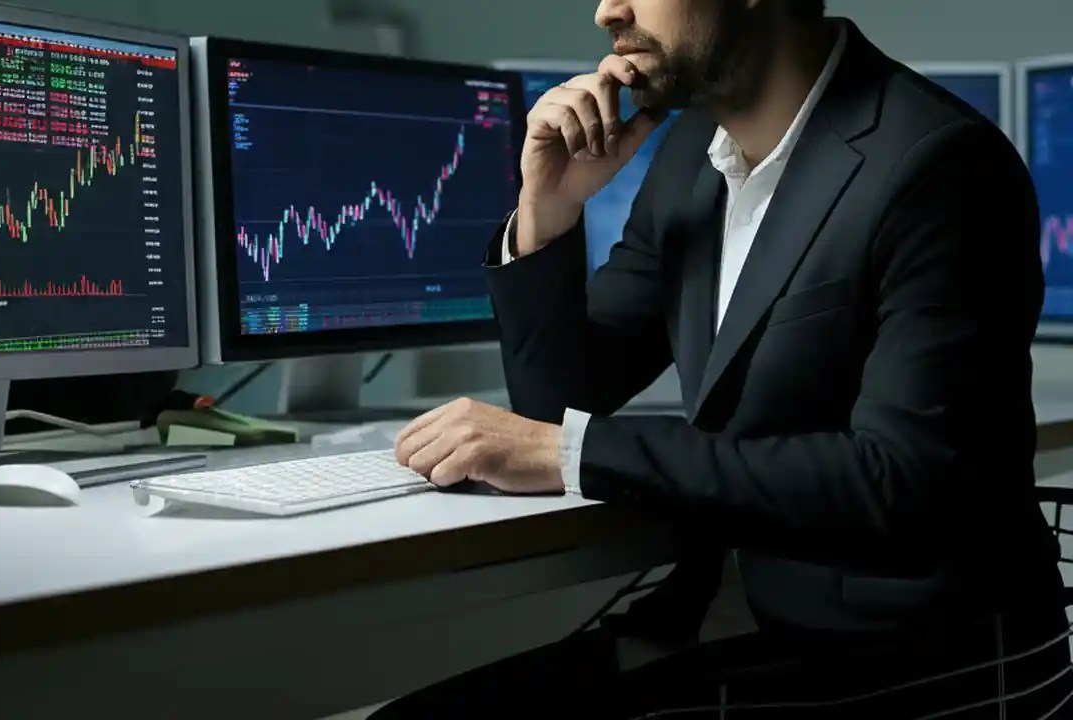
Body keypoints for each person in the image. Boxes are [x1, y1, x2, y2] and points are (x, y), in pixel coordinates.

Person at [375, 0, 1073, 717]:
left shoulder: (940, 163)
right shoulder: (693, 153)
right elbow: (562, 402)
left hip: (914, 662)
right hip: (733, 620)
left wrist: (570, 453)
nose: (607, 10)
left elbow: (899, 480)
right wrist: (546, 210)